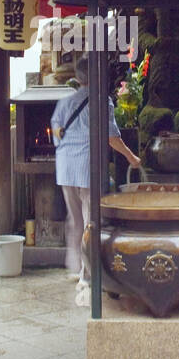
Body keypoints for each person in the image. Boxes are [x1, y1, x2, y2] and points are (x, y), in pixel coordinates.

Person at [51, 54, 141, 284]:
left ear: (77, 77)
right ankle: (88, 274)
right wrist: (131, 158)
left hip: (66, 167)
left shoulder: (64, 102)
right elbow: (112, 138)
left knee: (75, 220)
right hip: (87, 168)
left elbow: (56, 133)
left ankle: (75, 266)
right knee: (91, 220)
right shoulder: (103, 101)